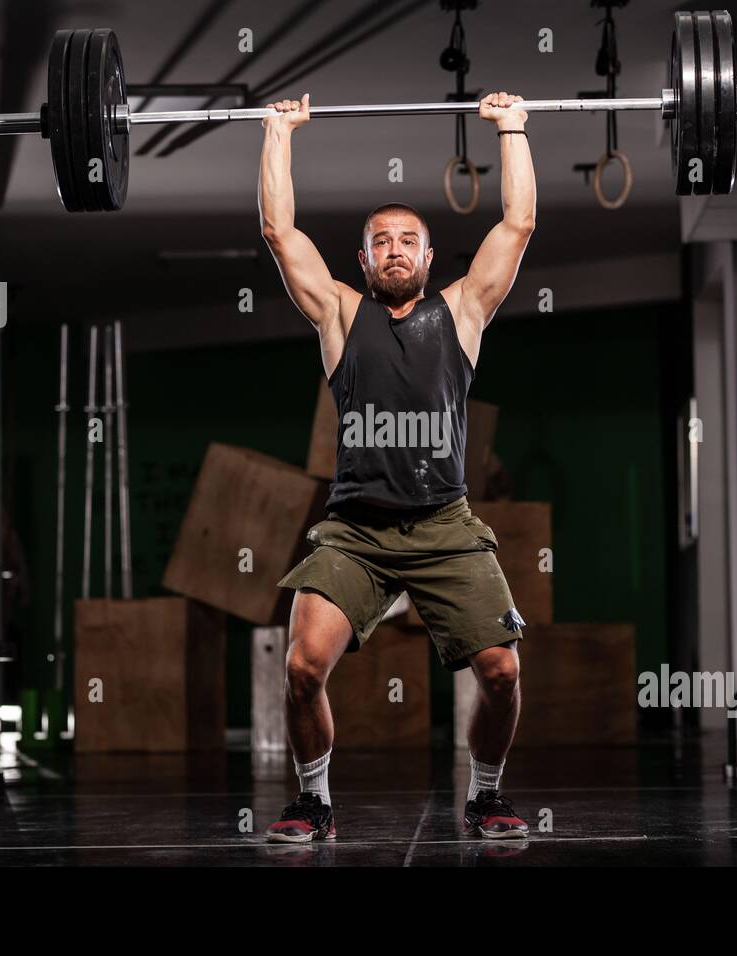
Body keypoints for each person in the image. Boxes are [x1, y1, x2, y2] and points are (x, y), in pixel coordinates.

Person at [258, 91, 535, 842]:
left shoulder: (464, 311)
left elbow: (517, 223)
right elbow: (280, 231)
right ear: (363, 258)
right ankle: (313, 802)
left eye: (407, 239)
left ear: (428, 254)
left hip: (444, 523)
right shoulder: (342, 315)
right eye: (380, 241)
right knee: (302, 666)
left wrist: (511, 128)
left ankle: (484, 795)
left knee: (505, 673)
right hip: (356, 530)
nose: (394, 250)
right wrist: (278, 133)